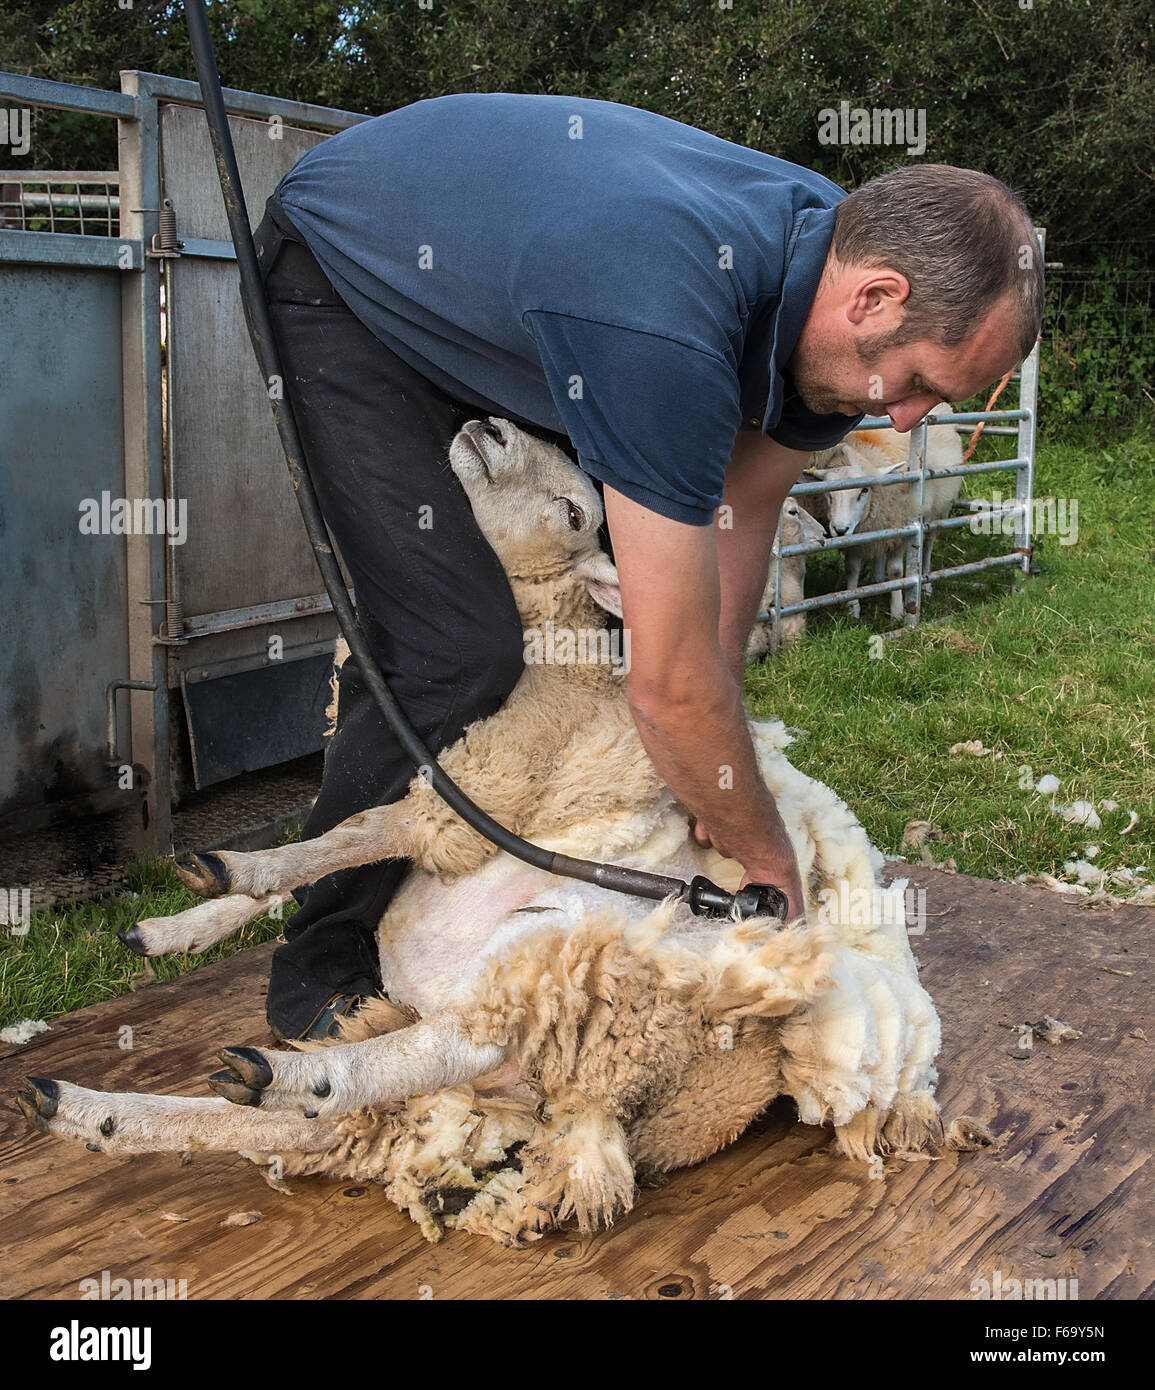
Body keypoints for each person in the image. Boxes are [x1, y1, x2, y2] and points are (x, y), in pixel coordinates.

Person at [251, 92, 1043, 1042]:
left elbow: (736, 519)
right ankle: (319, 958)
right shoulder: (664, 324)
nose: (909, 421)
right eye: (918, 383)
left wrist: (713, 757)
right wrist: (764, 859)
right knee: (456, 646)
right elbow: (668, 687)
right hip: (347, 269)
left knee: (606, 638)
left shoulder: (835, 305)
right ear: (872, 298)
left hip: (548, 290)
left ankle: (505, 886)